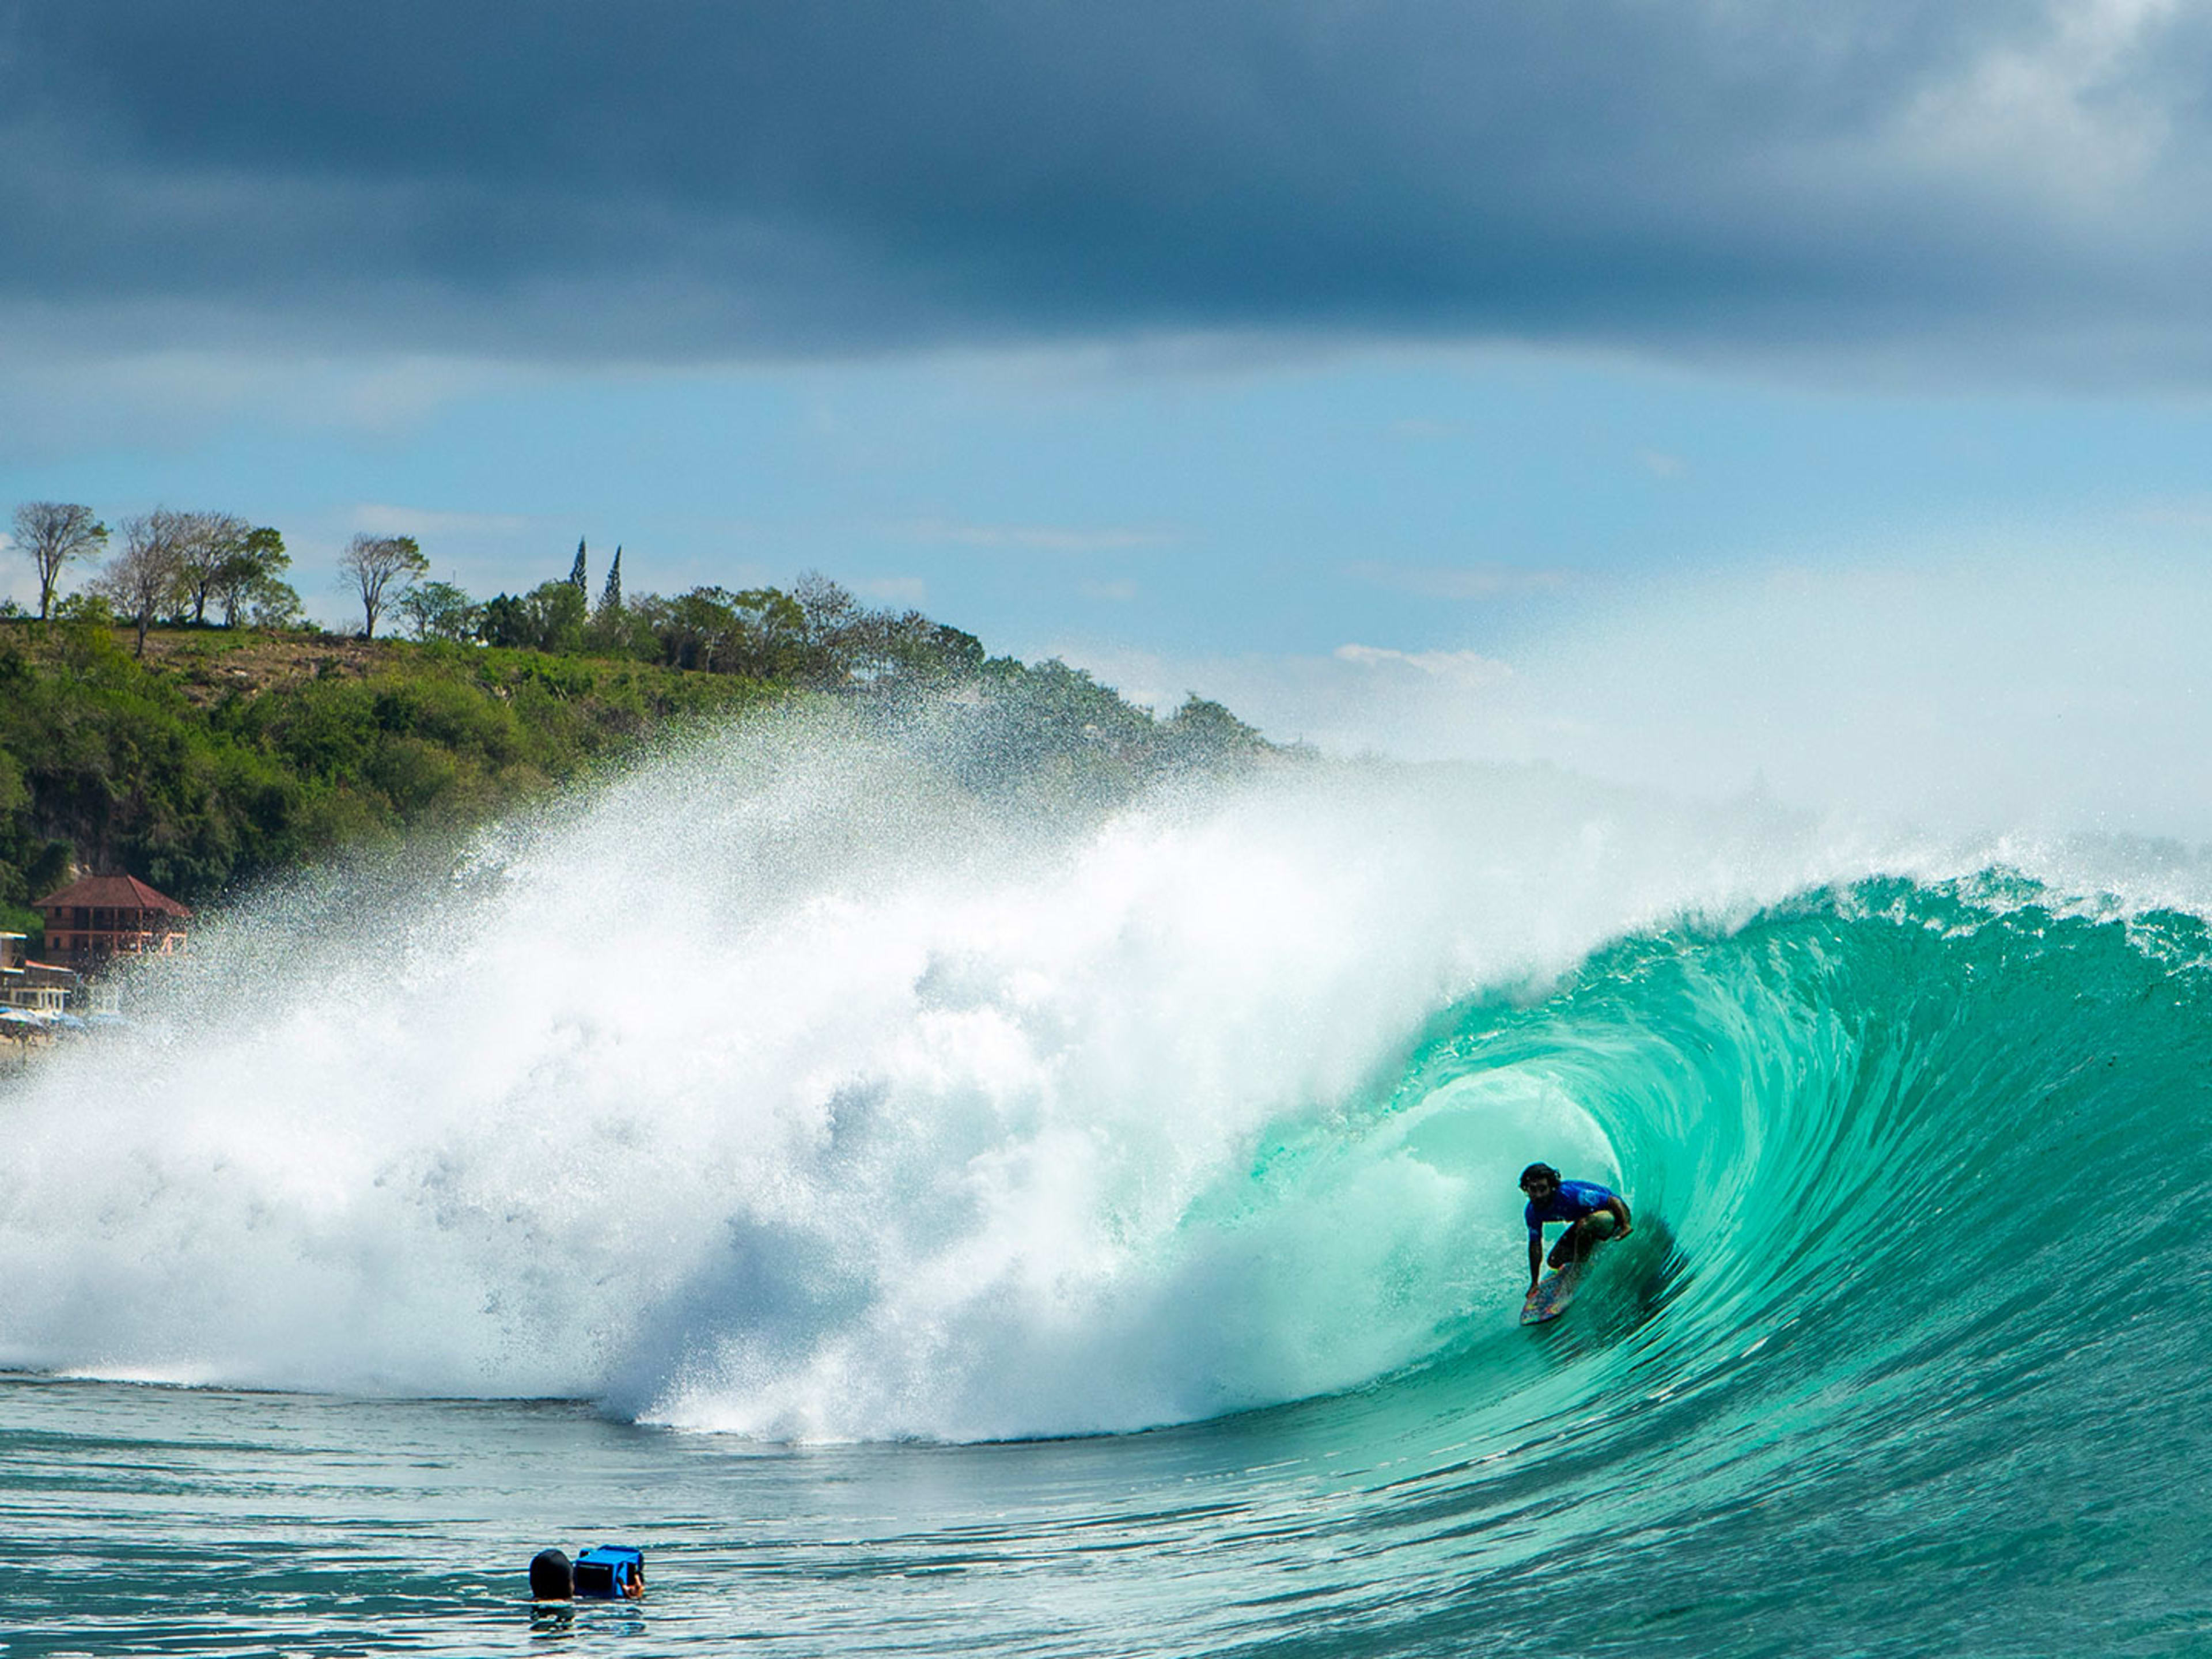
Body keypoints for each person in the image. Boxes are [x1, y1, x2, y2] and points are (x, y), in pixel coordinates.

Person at [1520, 1162, 1631, 1298]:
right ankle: (1590, 1255)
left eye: (1543, 1189)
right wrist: (1534, 1283)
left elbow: (1613, 1201)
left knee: (1585, 1226)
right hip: (1587, 1222)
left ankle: (1578, 1271)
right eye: (1533, 1189)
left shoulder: (1570, 1195)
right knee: (1554, 1261)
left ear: (1552, 1187)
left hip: (1614, 1216)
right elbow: (1535, 1246)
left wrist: (1625, 1225)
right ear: (1527, 1189)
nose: (1538, 1195)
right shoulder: (1532, 1211)